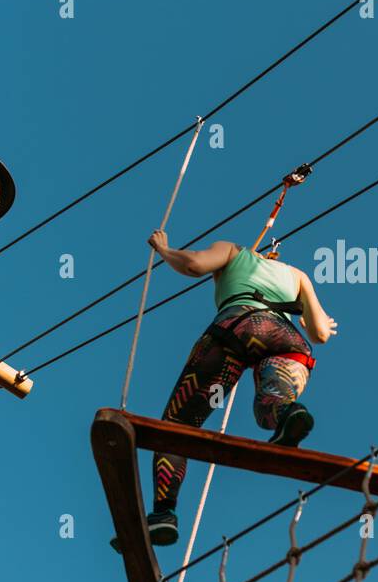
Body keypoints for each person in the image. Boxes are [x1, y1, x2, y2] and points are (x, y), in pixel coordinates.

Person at [134, 230, 337, 547]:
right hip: (287, 340)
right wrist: (313, 319)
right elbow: (320, 333)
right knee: (270, 404)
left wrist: (164, 249)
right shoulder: (298, 276)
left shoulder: (232, 251)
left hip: (237, 327)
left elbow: (193, 265)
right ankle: (286, 413)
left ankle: (163, 514)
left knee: (176, 427)